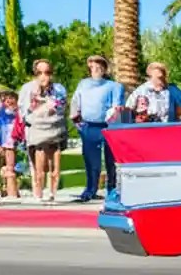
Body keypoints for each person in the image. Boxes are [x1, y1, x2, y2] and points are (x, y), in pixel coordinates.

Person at [70, 55, 126, 202]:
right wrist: (76, 119)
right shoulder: (83, 84)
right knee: (91, 161)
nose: (95, 68)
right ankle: (90, 189)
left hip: (109, 127)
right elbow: (76, 101)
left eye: (99, 65)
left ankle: (112, 190)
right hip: (89, 126)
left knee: (111, 161)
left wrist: (116, 123)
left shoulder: (114, 86)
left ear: (105, 68)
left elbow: (117, 108)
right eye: (92, 66)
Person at [18, 59, 68, 203]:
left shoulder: (58, 89)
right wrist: (34, 107)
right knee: (37, 165)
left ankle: (52, 192)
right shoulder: (27, 88)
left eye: (47, 72)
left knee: (53, 164)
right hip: (35, 131)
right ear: (35, 74)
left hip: (54, 130)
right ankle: (38, 193)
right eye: (40, 72)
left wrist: (49, 106)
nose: (43, 76)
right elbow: (24, 111)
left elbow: (61, 108)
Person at [0, 88, 21, 201]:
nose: (8, 100)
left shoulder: (15, 113)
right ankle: (9, 191)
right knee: (7, 169)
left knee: (10, 169)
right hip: (4, 140)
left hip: (11, 142)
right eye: (5, 98)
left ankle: (12, 193)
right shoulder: (1, 113)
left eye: (11, 98)